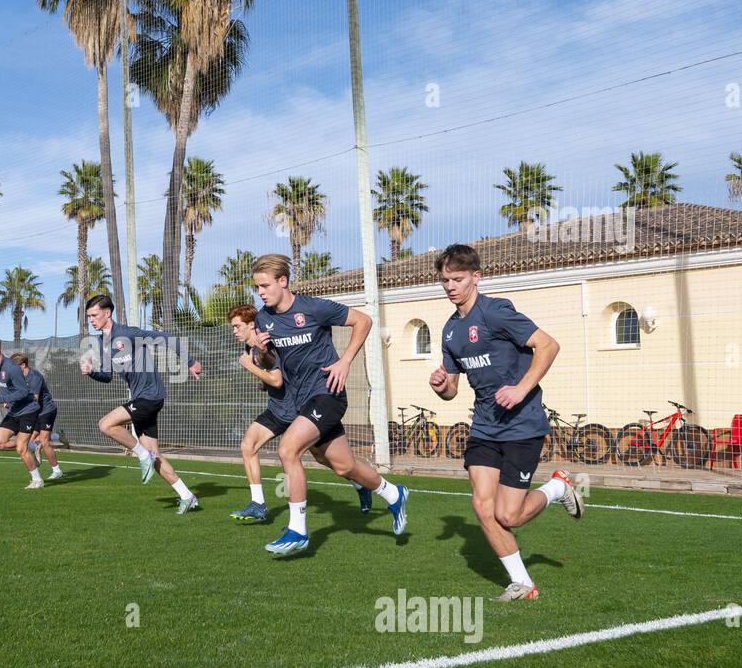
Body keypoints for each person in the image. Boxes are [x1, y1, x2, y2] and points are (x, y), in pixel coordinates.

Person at [429, 244, 583, 601]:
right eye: (445, 280)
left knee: (508, 515)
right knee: (482, 507)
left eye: (458, 279)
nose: (450, 286)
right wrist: (441, 386)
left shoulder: (497, 313)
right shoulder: (450, 332)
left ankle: (557, 489)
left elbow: (548, 346)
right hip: (484, 426)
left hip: (522, 425)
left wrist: (520, 388)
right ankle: (524, 584)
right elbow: (452, 390)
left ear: (476, 278)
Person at [251, 254, 408, 556]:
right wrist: (262, 353)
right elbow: (271, 361)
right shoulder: (263, 318)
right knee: (342, 465)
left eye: (265, 286)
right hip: (302, 401)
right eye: (257, 287)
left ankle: (297, 530)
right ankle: (393, 493)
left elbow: (363, 320)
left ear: (283, 282)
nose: (261, 292)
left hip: (328, 393)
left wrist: (345, 362)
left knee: (287, 450)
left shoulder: (313, 307)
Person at [226, 304, 373, 524]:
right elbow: (276, 379)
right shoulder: (251, 350)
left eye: (238, 326)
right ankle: (258, 504)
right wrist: (263, 381)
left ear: (251, 325)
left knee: (329, 459)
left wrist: (251, 367)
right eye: (233, 328)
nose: (235, 331)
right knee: (248, 445)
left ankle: (360, 482)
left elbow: (277, 379)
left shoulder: (266, 343)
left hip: (298, 410)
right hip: (278, 410)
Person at [81, 294, 202, 514]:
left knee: (106, 424)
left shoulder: (127, 333)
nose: (91, 319)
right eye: (89, 316)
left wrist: (191, 362)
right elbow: (107, 376)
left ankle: (141, 454)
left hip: (150, 396)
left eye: (94, 315)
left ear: (107, 313)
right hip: (140, 398)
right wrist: (91, 373)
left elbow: (168, 338)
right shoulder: (102, 342)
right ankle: (187, 496)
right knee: (155, 456)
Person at [0, 335, 44, 489]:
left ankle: (37, 480)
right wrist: (7, 400)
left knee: (21, 448)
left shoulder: (11, 367)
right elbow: (11, 389)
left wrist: (0, 399)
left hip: (28, 410)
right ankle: (33, 447)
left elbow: (23, 391)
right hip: (15, 410)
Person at [12, 352, 63, 480]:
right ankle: (48, 442)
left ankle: (57, 470)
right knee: (28, 441)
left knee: (45, 440)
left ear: (23, 365)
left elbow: (34, 398)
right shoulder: (17, 378)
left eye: (14, 366)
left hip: (46, 410)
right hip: (33, 411)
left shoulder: (35, 377)